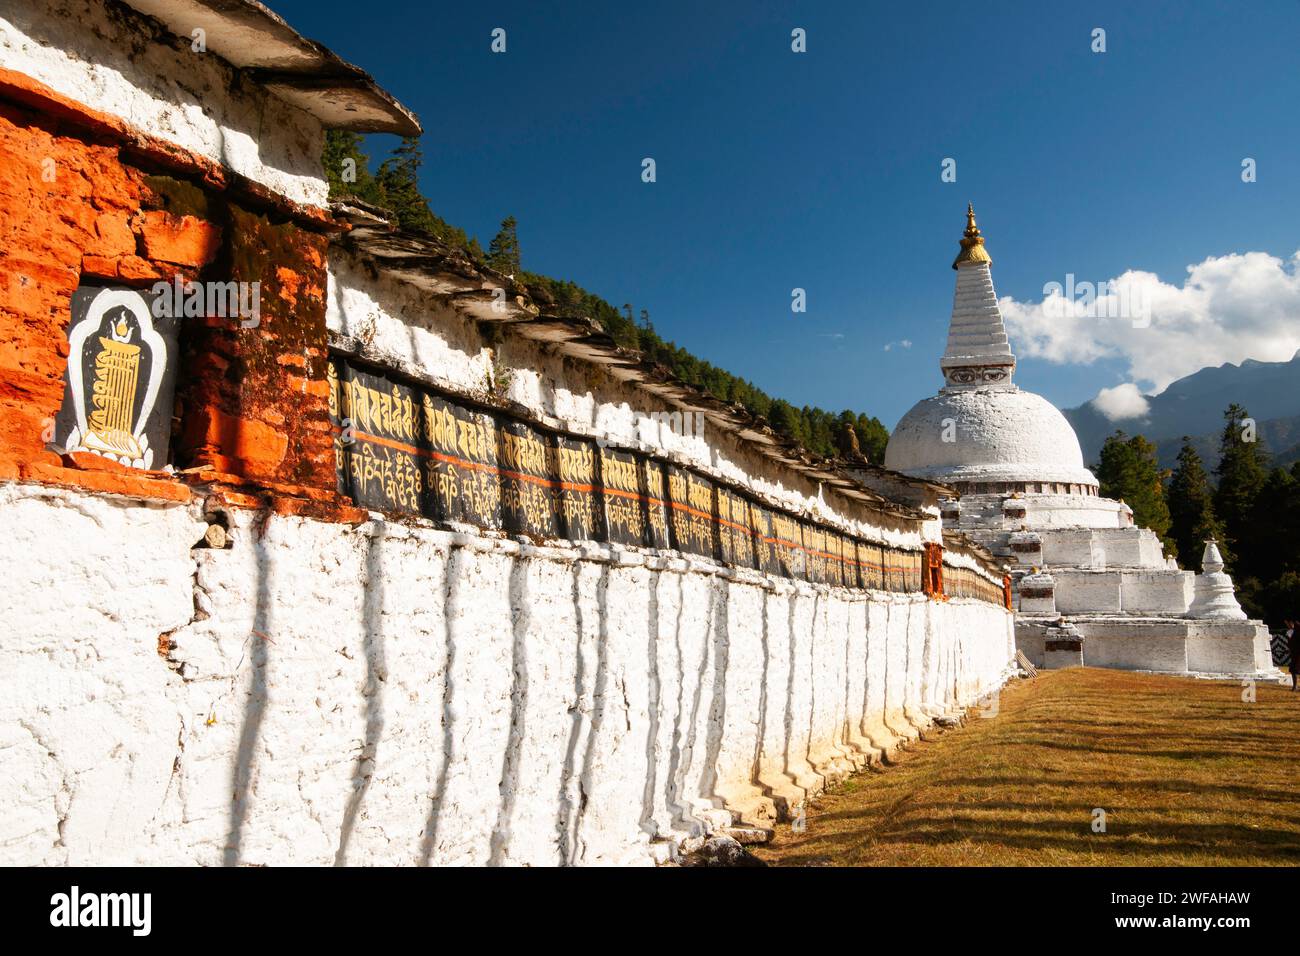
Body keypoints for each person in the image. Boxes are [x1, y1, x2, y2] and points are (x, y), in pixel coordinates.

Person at [1288, 620, 1299, 692]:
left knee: (1294, 670)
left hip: (1296, 654)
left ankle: (1295, 686)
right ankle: (1295, 686)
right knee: (1294, 670)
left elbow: (1290, 643)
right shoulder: (1291, 633)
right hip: (1295, 654)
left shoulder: (1292, 633)